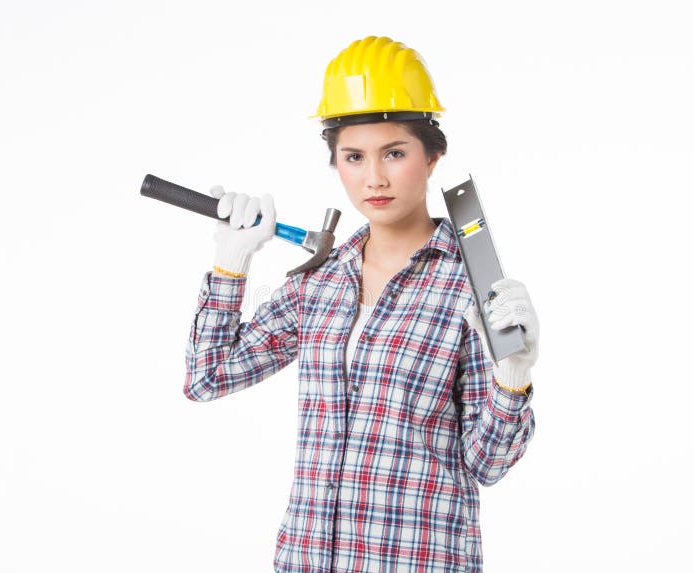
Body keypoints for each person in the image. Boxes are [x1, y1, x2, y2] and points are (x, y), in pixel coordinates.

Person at [184, 35, 539, 573]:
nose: (374, 177)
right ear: (337, 164)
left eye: (394, 153)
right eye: (354, 156)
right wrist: (231, 261)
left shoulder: (474, 288)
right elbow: (206, 378)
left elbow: (485, 465)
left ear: (433, 156)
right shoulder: (319, 283)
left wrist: (513, 375)